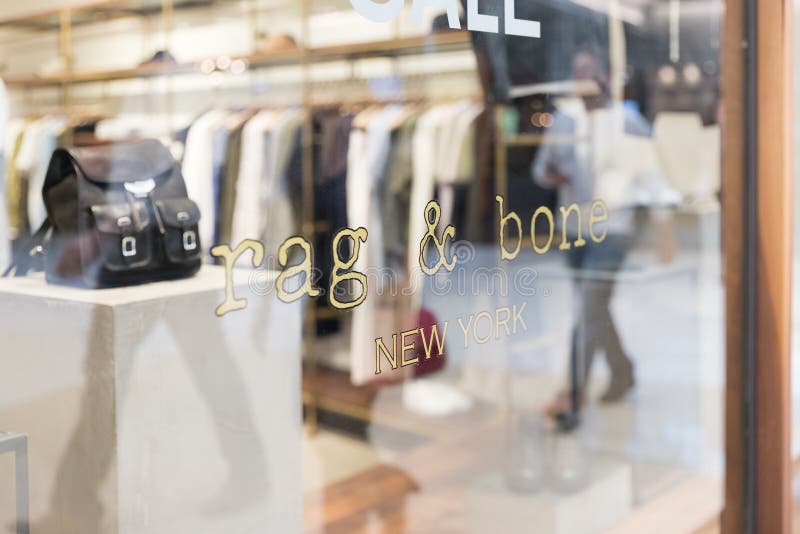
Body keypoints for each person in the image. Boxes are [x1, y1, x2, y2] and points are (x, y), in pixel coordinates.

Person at [532, 46, 677, 431]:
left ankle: (572, 395)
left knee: (589, 309)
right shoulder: (564, 121)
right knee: (594, 309)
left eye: (589, 73)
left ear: (606, 77)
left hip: (614, 228)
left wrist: (664, 228)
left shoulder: (628, 121)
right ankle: (622, 370)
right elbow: (539, 169)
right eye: (577, 74)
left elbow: (652, 176)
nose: (584, 81)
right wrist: (554, 176)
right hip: (573, 228)